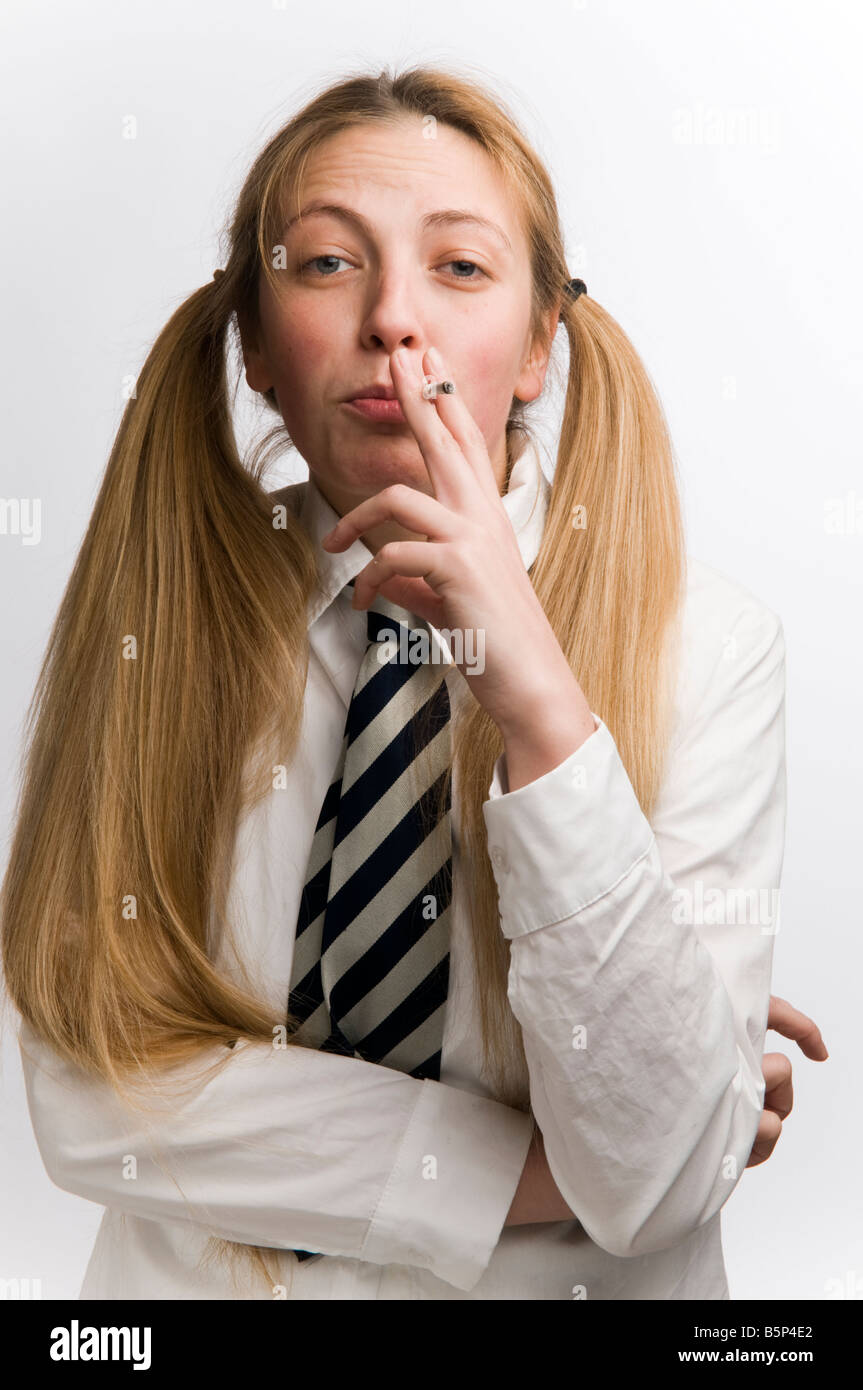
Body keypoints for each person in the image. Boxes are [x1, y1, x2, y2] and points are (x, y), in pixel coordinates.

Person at [1, 65, 828, 1301]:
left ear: (540, 341)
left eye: (458, 267)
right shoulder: (160, 622)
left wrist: (540, 701)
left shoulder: (708, 648)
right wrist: (542, 1165)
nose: (394, 317)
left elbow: (653, 1183)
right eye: (327, 264)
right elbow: (94, 1086)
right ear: (255, 351)